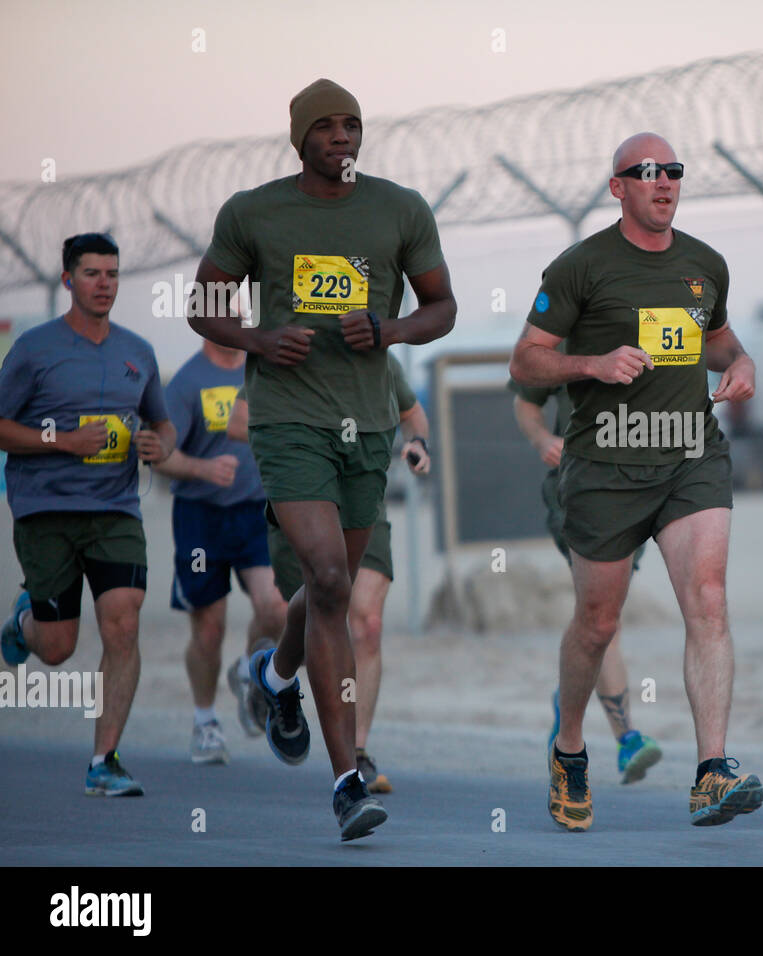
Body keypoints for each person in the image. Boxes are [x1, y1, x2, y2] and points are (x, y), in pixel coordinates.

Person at [187, 79, 457, 840]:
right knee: (331, 581)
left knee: (327, 588)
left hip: (367, 426)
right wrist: (259, 341)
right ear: (301, 137)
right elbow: (204, 304)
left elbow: (442, 306)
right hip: (289, 420)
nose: (342, 137)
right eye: (327, 127)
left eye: (353, 126)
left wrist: (392, 329)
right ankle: (346, 783)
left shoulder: (400, 209)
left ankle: (275, 678)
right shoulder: (254, 212)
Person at [509, 132, 760, 830]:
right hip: (605, 464)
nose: (664, 182)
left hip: (689, 454)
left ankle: (712, 771)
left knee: (707, 598)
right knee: (598, 623)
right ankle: (569, 749)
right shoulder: (581, 267)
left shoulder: (705, 264)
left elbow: (717, 339)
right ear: (617, 186)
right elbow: (525, 363)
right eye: (646, 172)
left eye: (673, 171)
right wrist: (590, 365)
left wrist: (739, 364)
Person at [0, 232, 176, 796]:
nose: (105, 284)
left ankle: (104, 760)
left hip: (115, 508)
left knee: (123, 621)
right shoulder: (34, 349)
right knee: (57, 649)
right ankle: (24, 622)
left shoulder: (138, 352)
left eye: (114, 274)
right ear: (68, 279)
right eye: (93, 273)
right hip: (46, 507)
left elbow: (163, 423)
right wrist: (63, 443)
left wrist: (160, 446)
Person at [227, 351, 431, 791]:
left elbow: (415, 415)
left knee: (368, 624)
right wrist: (300, 441)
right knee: (322, 605)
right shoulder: (292, 348)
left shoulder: (381, 359)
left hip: (364, 501)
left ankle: (356, 753)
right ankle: (275, 674)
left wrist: (416, 444)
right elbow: (237, 421)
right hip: (305, 495)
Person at [509, 377, 663, 784]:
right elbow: (527, 399)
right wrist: (542, 439)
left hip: (641, 485)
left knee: (608, 616)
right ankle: (627, 738)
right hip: (577, 488)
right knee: (602, 617)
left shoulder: (652, 322)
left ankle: (568, 695)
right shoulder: (561, 329)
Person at [152, 341, 287, 764]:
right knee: (209, 628)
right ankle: (205, 720)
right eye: (228, 311)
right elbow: (160, 456)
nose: (240, 322)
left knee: (277, 606)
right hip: (201, 516)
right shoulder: (188, 381)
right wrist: (202, 469)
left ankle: (249, 672)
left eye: (243, 313)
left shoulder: (263, 368)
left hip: (256, 511)